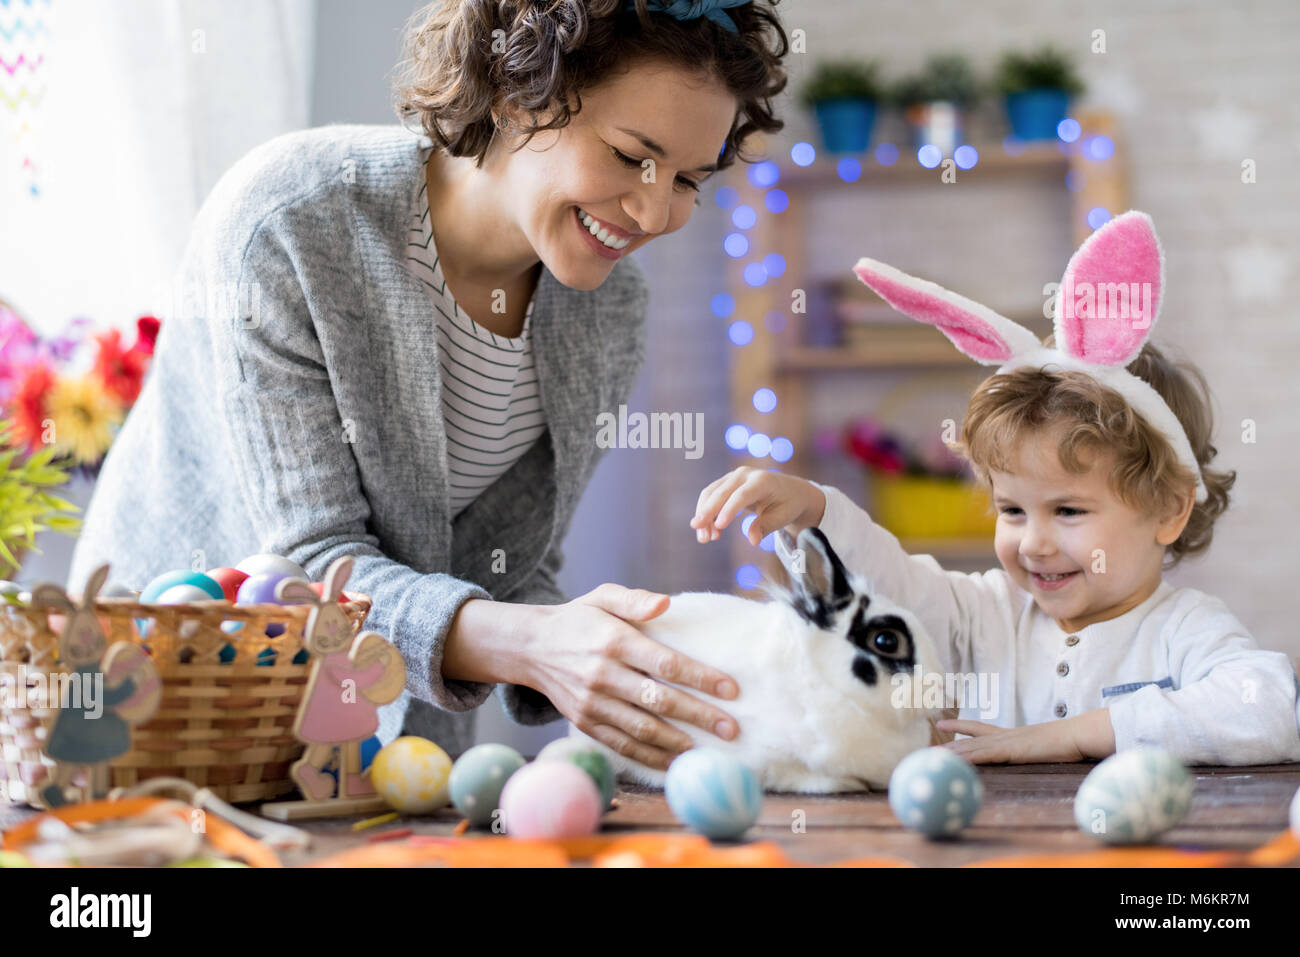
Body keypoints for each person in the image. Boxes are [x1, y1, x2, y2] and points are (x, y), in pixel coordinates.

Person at [68, 0, 791, 769]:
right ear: (520, 94)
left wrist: (630, 651)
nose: (654, 211)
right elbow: (311, 568)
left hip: (375, 768)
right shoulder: (291, 224)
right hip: (155, 716)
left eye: (689, 179)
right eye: (628, 156)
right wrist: (541, 644)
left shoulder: (610, 309)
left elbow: (513, 560)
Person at [692, 213, 1300, 767]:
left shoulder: (1185, 631)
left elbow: (1269, 710)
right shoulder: (987, 614)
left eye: (1067, 510)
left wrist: (1082, 732)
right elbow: (893, 585)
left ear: (1167, 510)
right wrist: (814, 509)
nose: (1032, 543)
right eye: (1012, 509)